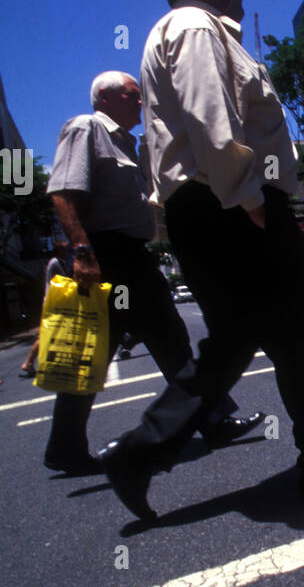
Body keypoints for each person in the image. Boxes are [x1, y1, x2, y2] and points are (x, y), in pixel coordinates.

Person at [98, 0, 304, 519]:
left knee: (235, 341)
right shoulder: (197, 28)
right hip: (231, 205)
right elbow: (215, 123)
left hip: (206, 210)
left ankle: (137, 454)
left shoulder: (173, 31)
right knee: (302, 334)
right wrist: (252, 201)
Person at [42, 72, 262, 474]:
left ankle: (208, 420)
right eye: (132, 95)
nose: (140, 102)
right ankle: (207, 422)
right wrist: (83, 251)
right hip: (107, 256)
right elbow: (63, 193)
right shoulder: (86, 127)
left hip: (131, 258)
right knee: (105, 351)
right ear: (105, 98)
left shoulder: (127, 142)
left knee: (169, 342)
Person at [18, 238, 72, 377]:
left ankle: (33, 363)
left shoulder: (61, 262)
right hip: (54, 304)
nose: (67, 252)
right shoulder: (56, 262)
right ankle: (29, 363)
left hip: (57, 303)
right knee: (48, 334)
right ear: (59, 250)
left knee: (57, 333)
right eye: (65, 249)